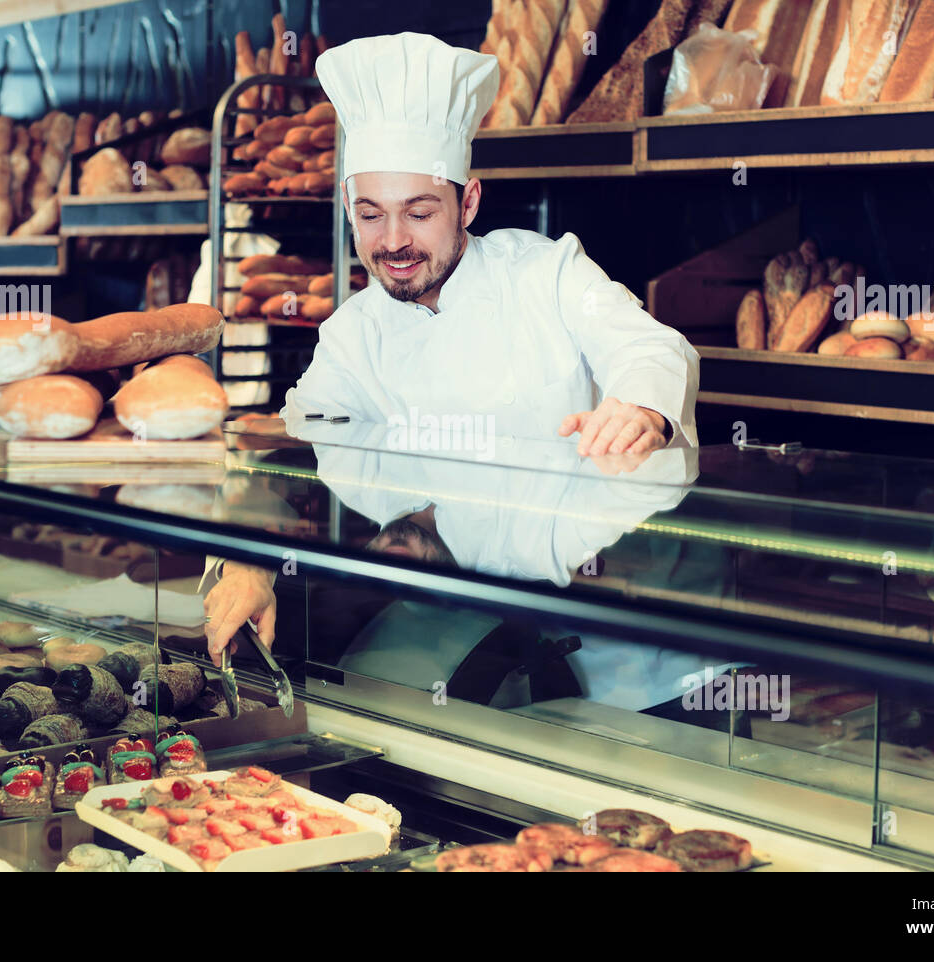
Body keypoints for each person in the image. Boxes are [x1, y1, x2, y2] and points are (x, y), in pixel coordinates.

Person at [204, 32, 699, 664]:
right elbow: (288, 450)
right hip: (460, 640)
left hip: (623, 648)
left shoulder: (545, 273)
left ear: (467, 202)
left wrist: (638, 409)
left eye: (418, 212)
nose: (393, 241)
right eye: (371, 214)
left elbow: (652, 349)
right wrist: (248, 561)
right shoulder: (354, 333)